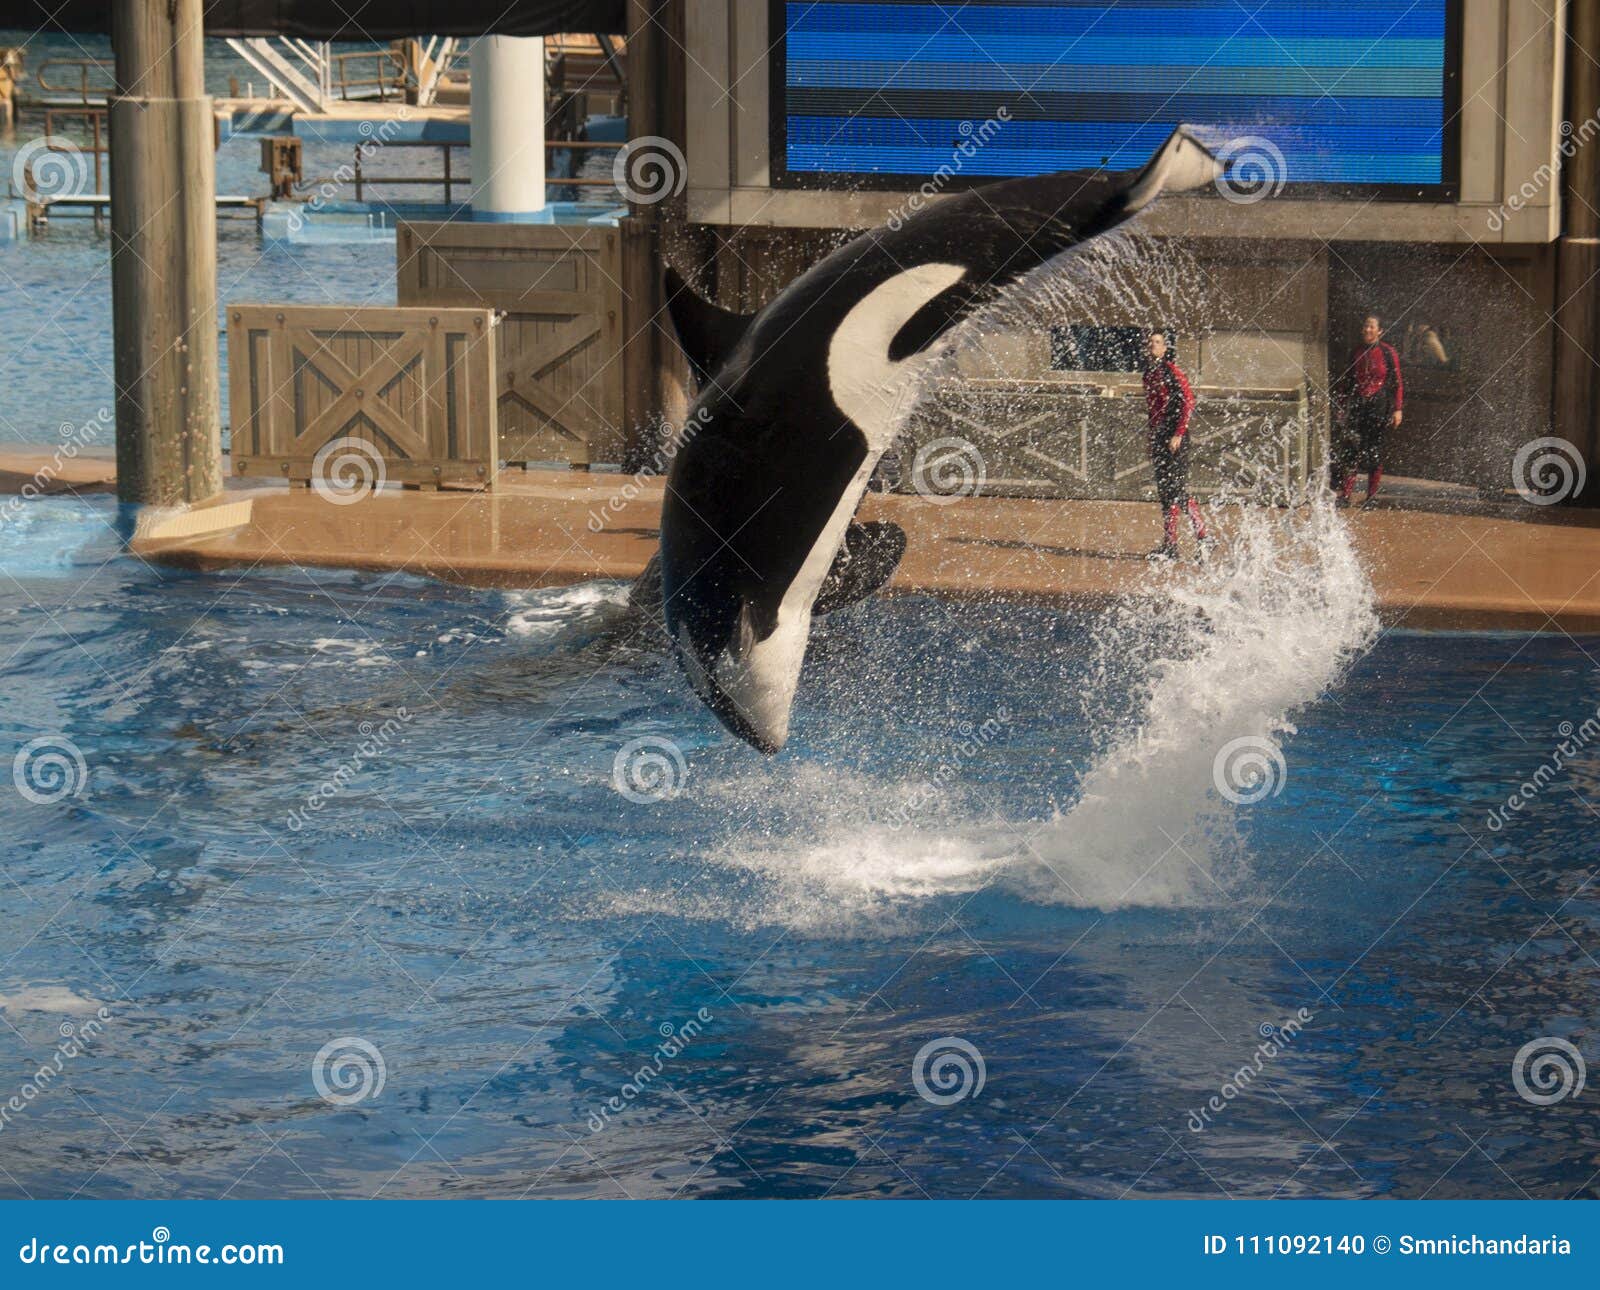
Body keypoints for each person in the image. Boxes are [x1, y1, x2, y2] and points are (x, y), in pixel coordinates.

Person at [1141, 328, 1208, 560]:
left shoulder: (1172, 371)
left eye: (1157, 342)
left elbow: (1188, 401)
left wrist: (1178, 433)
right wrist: (1151, 438)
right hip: (1160, 436)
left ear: (1165, 347)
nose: (1153, 346)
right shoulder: (1148, 373)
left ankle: (1203, 536)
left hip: (1175, 438)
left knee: (1177, 489)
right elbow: (1153, 410)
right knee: (1165, 492)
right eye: (1150, 342)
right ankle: (1170, 544)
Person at [1335, 314, 1404, 505]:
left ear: (1380, 331)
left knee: (1374, 450)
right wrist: (1341, 407)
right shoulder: (1355, 352)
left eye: (1372, 327)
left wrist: (1398, 409)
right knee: (1351, 449)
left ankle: (1371, 496)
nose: (1368, 330)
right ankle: (1346, 494)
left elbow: (1397, 383)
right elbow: (1347, 383)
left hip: (1379, 405)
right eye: (1365, 326)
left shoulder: (1388, 352)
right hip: (1358, 404)